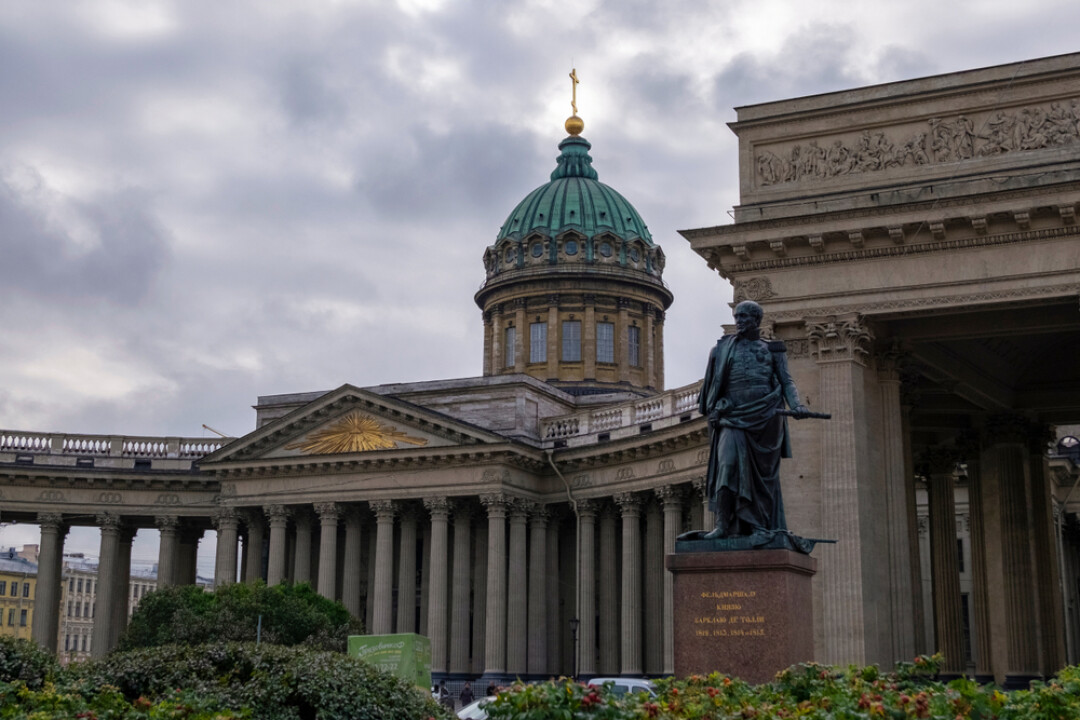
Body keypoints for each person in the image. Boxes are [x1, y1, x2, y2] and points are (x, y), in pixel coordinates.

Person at [698, 300, 811, 540]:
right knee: (727, 467)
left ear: (756, 320)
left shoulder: (772, 349)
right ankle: (722, 524)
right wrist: (717, 405)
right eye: (737, 317)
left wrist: (798, 405)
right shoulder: (721, 350)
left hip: (766, 419)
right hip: (733, 417)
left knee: (762, 479)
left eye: (744, 317)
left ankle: (759, 524)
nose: (739, 322)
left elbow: (786, 381)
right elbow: (711, 390)